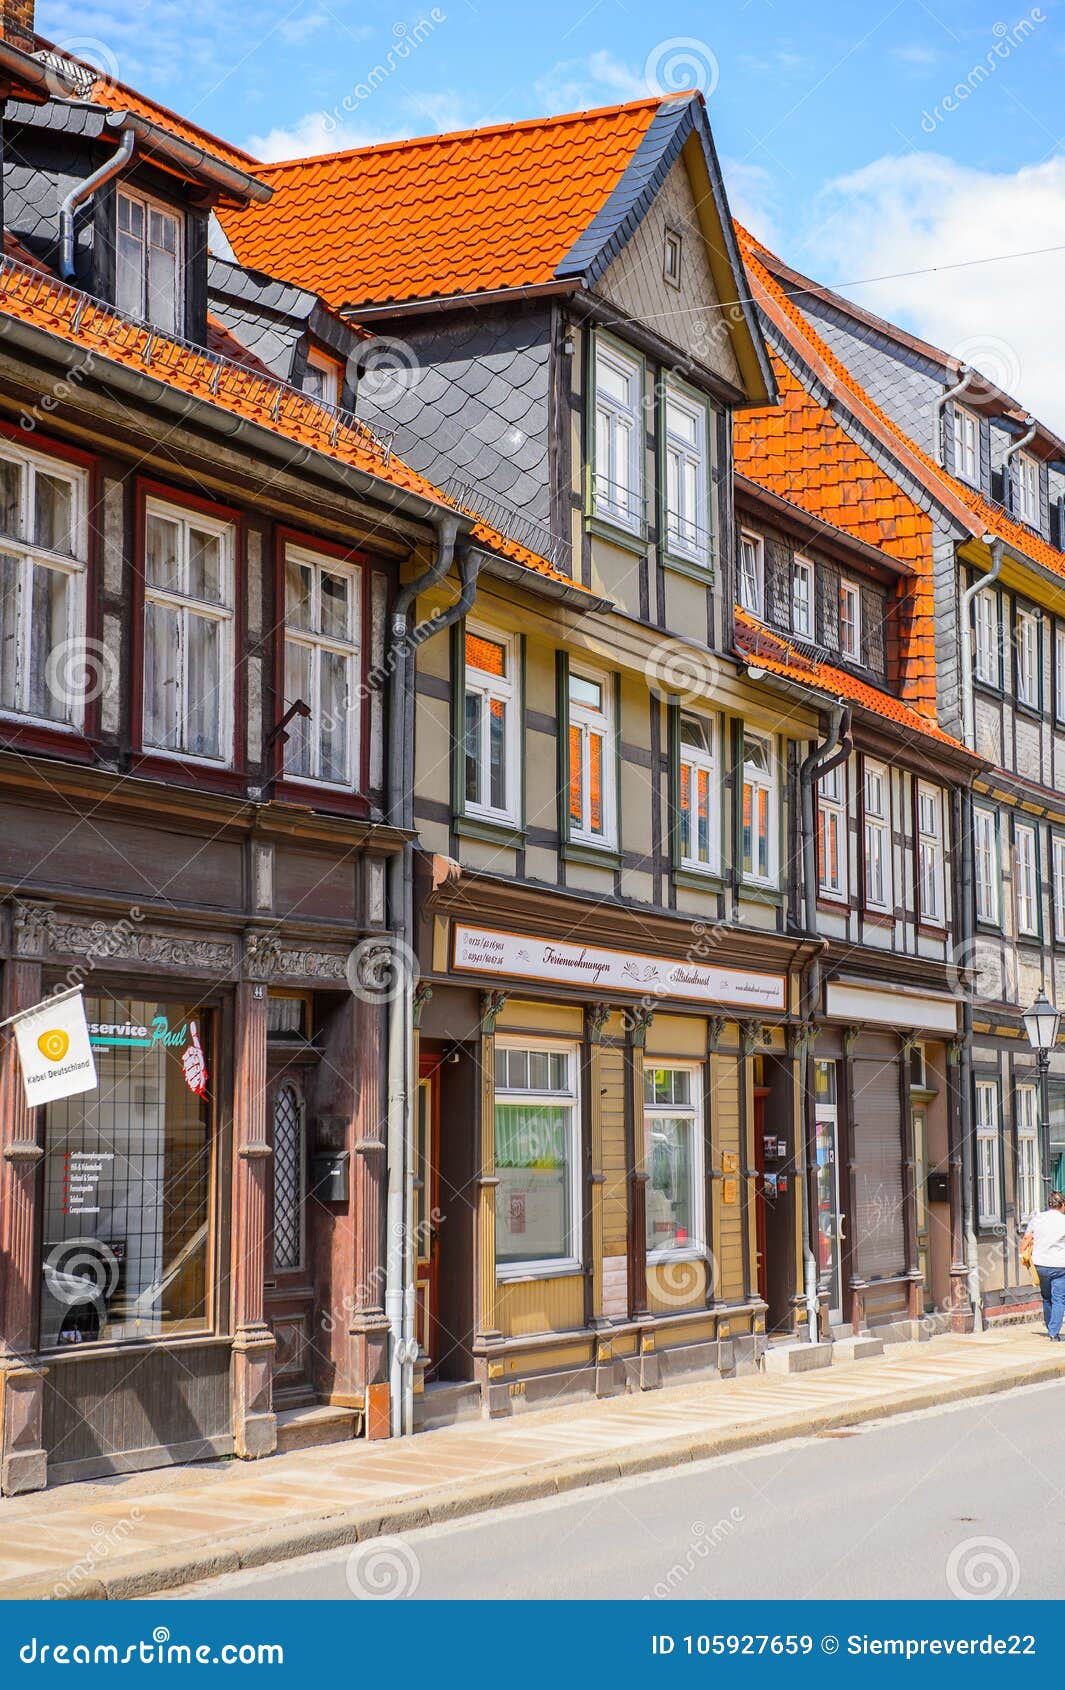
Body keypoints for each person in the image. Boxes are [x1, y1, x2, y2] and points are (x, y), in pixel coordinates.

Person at [1021, 1190, 1065, 1339]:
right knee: (1059, 1299)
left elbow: (1027, 1238)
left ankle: (1050, 1326)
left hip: (1040, 1265)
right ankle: (1054, 1332)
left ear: (1049, 1204)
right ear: (1062, 1205)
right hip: (1060, 1267)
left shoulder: (1037, 1218)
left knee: (1047, 1297)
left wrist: (1023, 1254)